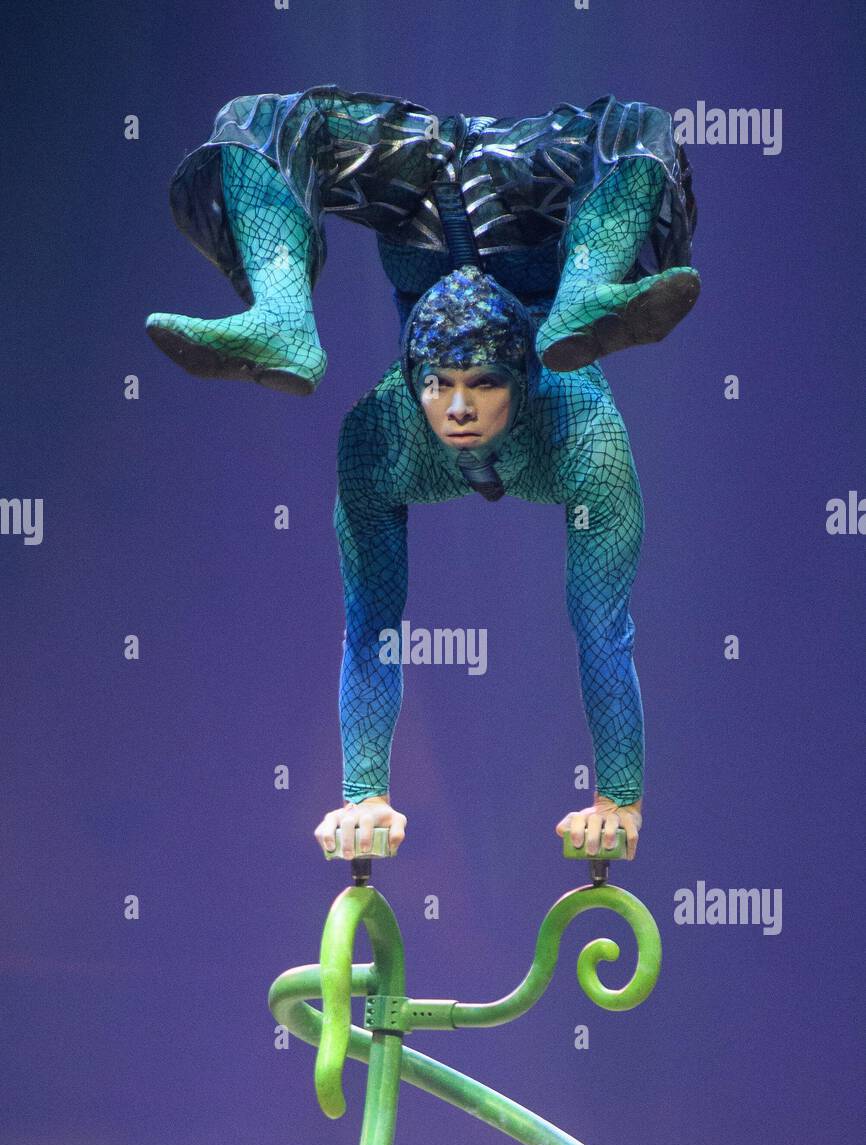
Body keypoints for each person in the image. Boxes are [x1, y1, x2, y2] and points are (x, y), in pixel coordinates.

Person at [146, 86, 700, 862]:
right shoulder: (382, 435)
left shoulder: (582, 434)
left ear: (524, 379)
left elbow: (606, 628)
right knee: (259, 121)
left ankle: (583, 294)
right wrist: (363, 795)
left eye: (484, 383)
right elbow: (370, 622)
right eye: (440, 385)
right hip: (478, 190)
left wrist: (620, 802)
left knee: (643, 129)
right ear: (414, 381)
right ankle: (282, 312)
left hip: (504, 207)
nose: (459, 409)